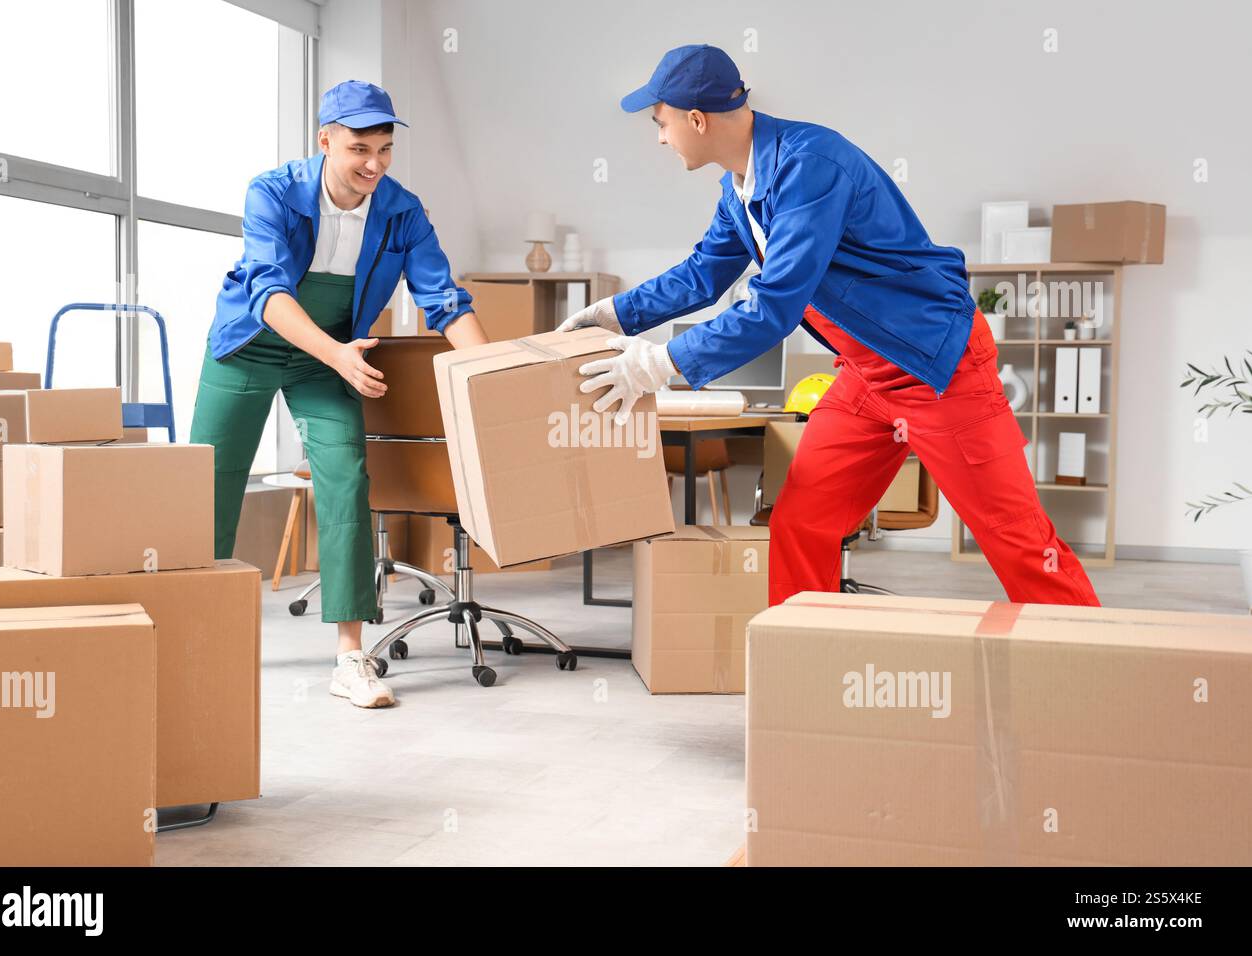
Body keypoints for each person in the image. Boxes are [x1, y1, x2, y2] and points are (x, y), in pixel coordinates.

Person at [562, 45, 1099, 608]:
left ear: (696, 120)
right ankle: (800, 663)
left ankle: (1094, 672)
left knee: (1016, 540)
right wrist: (615, 314)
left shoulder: (810, 165)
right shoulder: (738, 188)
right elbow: (703, 273)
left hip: (936, 365)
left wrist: (657, 365)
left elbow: (775, 306)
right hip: (867, 378)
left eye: (661, 123)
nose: (660, 138)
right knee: (802, 522)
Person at [192, 80, 490, 708]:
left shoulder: (402, 210)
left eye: (384, 149)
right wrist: (337, 358)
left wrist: (491, 374)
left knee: (346, 480)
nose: (374, 165)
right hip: (255, 340)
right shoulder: (271, 191)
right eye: (359, 149)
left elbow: (444, 300)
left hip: (333, 352)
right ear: (324, 139)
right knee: (210, 485)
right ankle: (199, 638)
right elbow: (269, 292)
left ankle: (350, 656)